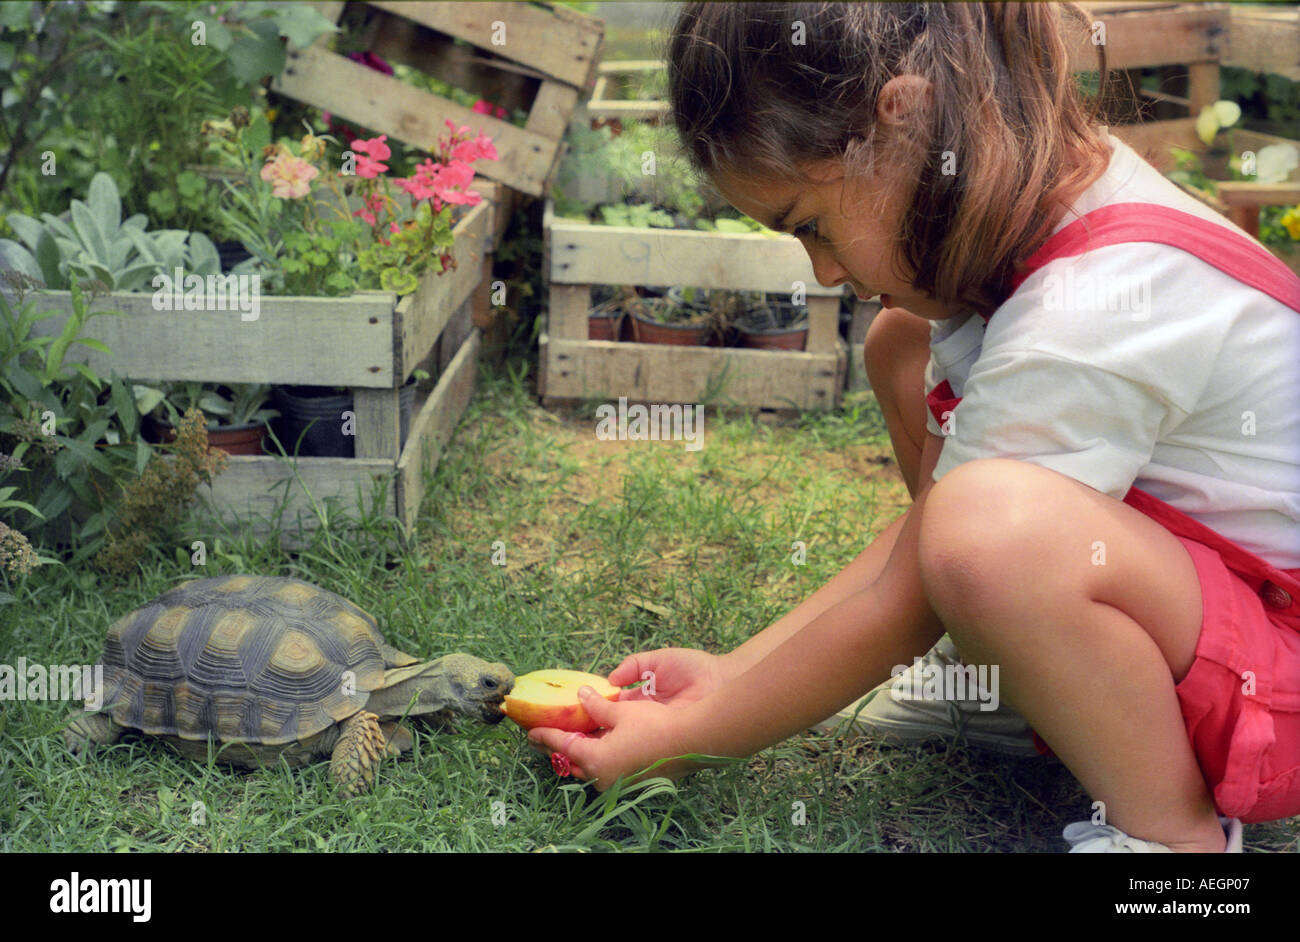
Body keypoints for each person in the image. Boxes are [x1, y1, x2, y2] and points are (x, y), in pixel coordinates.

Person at [528, 2, 1300, 853]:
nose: (825, 272)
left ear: (906, 125)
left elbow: (920, 588)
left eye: (811, 225)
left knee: (987, 534)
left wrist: (684, 740)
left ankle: (1176, 844)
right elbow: (919, 551)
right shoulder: (1045, 208)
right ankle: (1016, 686)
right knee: (904, 351)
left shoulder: (1092, 309)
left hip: (1280, 682)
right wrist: (729, 674)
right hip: (1215, 616)